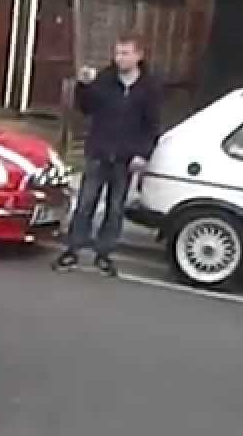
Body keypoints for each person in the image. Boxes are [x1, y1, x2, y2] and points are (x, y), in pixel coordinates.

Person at [52, 33, 162, 277]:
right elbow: (87, 108)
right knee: (85, 203)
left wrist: (143, 154)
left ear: (138, 56)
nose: (119, 58)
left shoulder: (149, 88)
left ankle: (104, 254)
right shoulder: (105, 79)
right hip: (99, 152)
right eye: (117, 53)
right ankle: (73, 249)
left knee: (115, 208)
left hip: (124, 158)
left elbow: (151, 125)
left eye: (125, 53)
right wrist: (84, 86)